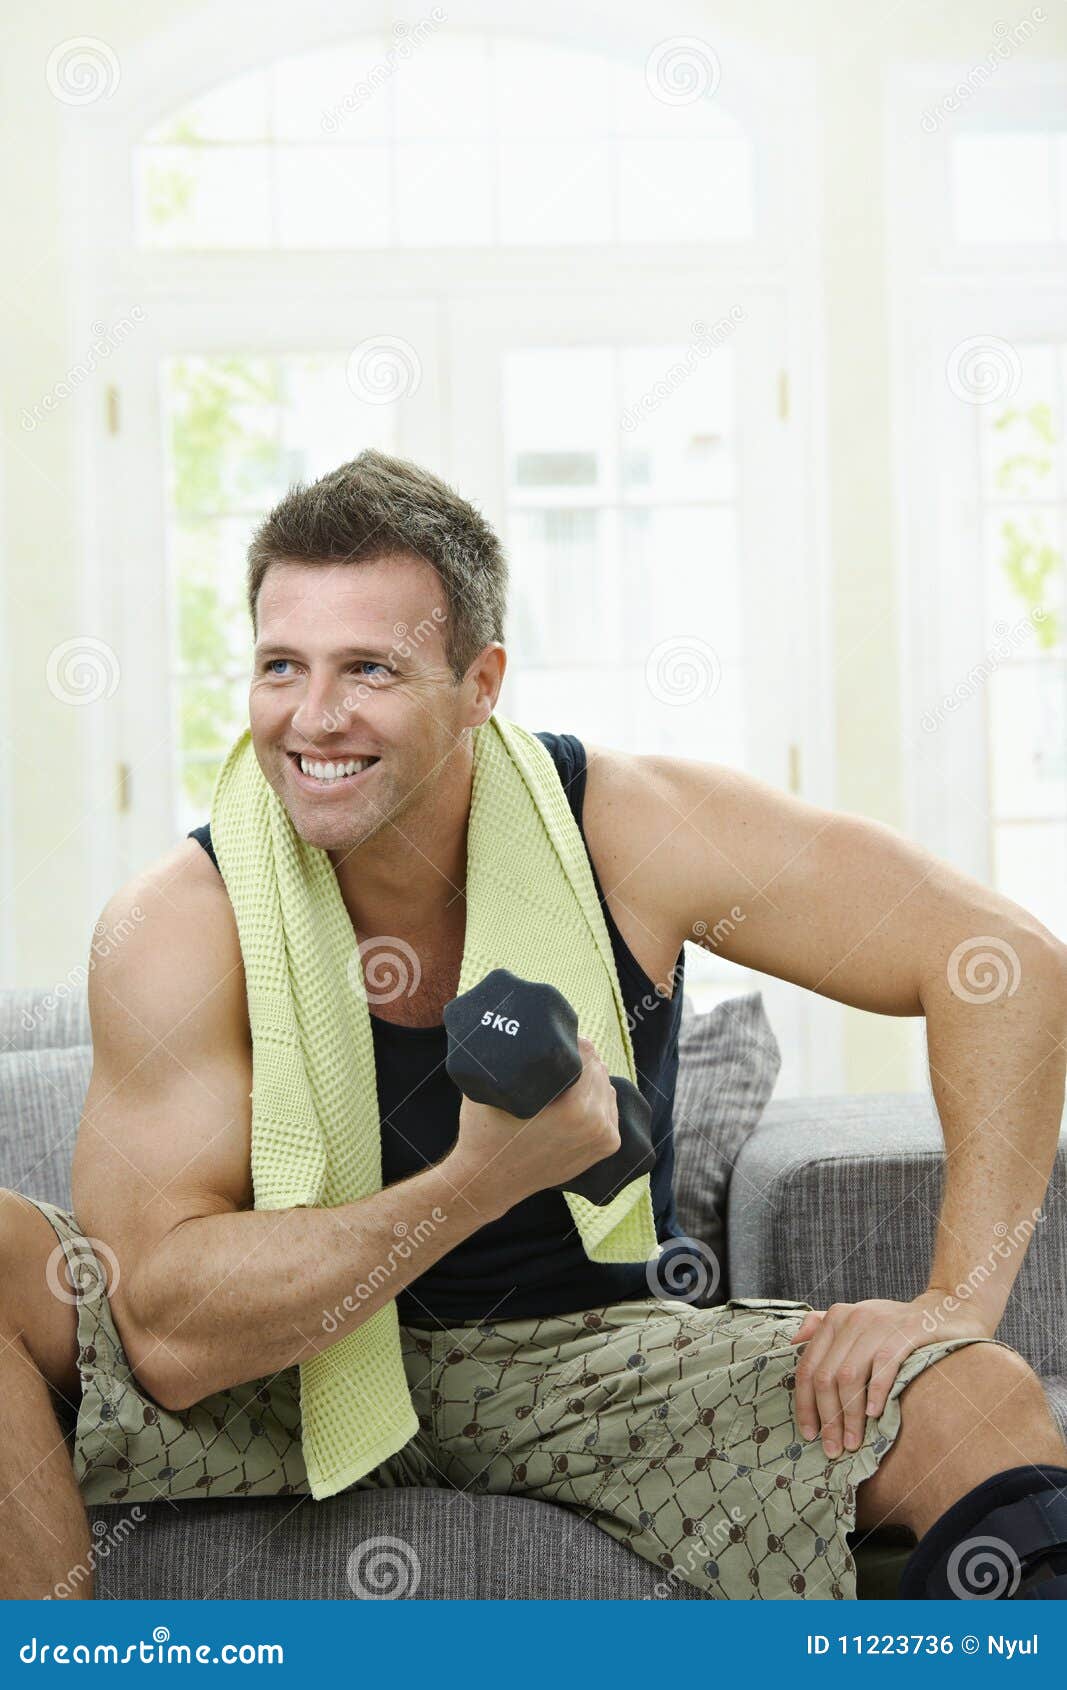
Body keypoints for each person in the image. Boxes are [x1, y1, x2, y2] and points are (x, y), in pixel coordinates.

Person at [3, 449, 1067, 1602]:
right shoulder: (178, 923)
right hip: (277, 1362)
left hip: (585, 1358)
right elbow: (163, 1330)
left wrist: (950, 1304)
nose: (313, 718)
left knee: (977, 1398)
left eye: (369, 668)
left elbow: (1001, 964)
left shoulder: (630, 827)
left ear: (480, 682)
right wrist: (481, 1179)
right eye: (280, 666)